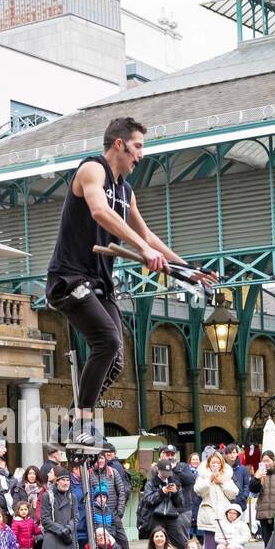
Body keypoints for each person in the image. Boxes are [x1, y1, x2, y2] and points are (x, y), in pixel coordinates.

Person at [45, 115, 215, 445]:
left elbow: (146, 234)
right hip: (70, 278)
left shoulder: (126, 190)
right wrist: (140, 249)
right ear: (120, 144)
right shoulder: (92, 170)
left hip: (99, 282)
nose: (141, 155)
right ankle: (82, 423)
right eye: (138, 147)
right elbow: (99, 212)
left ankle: (68, 425)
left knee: (117, 359)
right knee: (106, 340)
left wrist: (185, 269)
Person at [143, 458, 190, 549]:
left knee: (180, 543)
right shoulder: (151, 483)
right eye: (164, 472)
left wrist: (176, 493)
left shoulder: (174, 483)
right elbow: (148, 501)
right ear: (158, 470)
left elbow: (180, 504)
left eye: (168, 473)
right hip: (156, 516)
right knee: (157, 543)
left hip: (172, 516)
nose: (166, 476)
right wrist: (161, 492)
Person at [250, 450, 275, 545]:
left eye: (268, 460)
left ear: (273, 460)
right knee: (267, 543)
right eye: (264, 461)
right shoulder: (260, 474)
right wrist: (256, 478)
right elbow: (253, 491)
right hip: (263, 513)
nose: (266, 463)